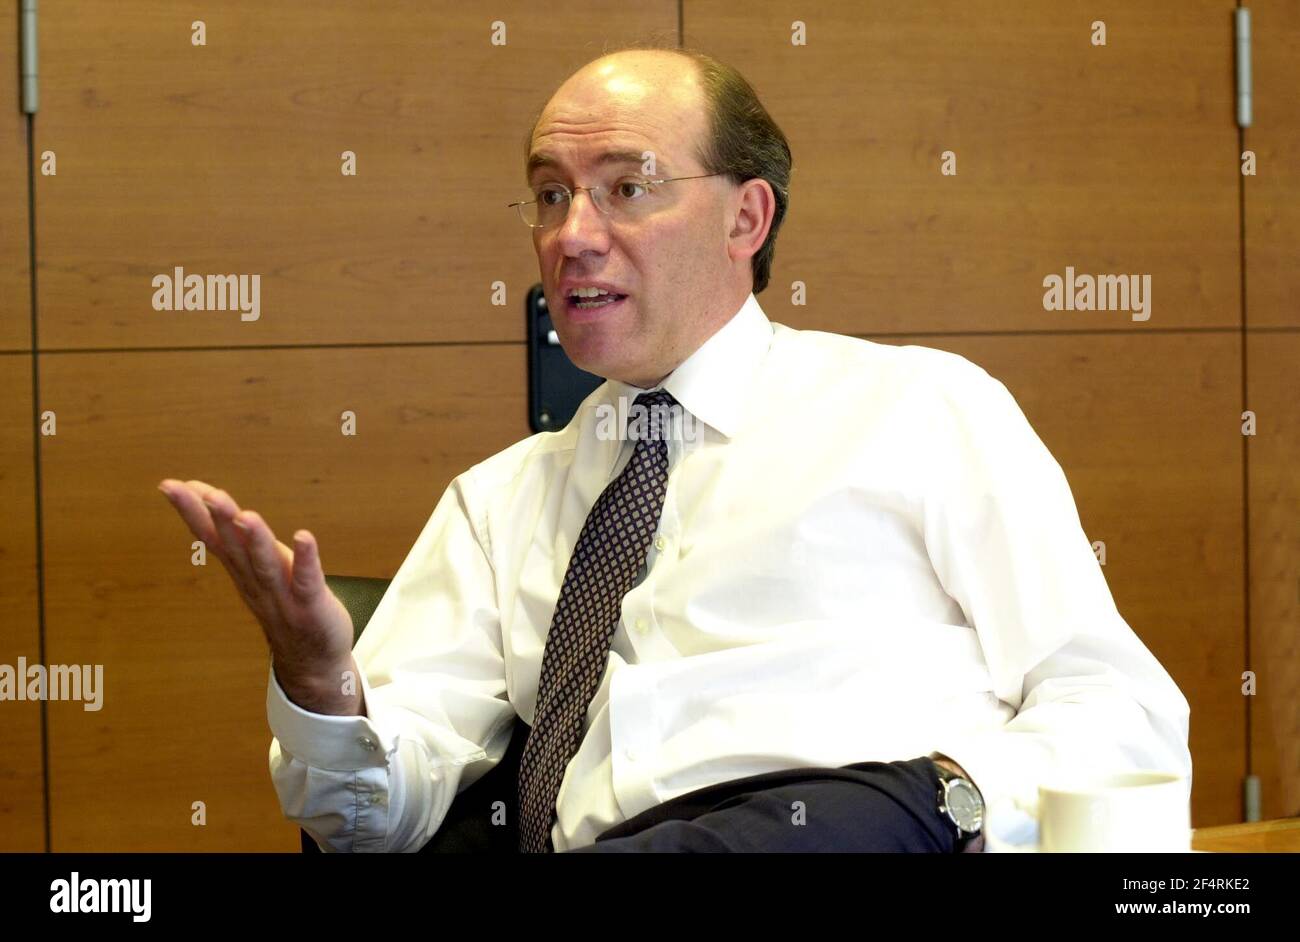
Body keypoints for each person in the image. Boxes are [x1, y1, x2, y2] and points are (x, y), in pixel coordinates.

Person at [157, 46, 1192, 853]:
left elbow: (1120, 713)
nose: (573, 233)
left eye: (628, 187)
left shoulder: (922, 410)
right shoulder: (497, 503)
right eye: (551, 193)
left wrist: (939, 805)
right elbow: (370, 822)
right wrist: (322, 687)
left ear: (746, 217)